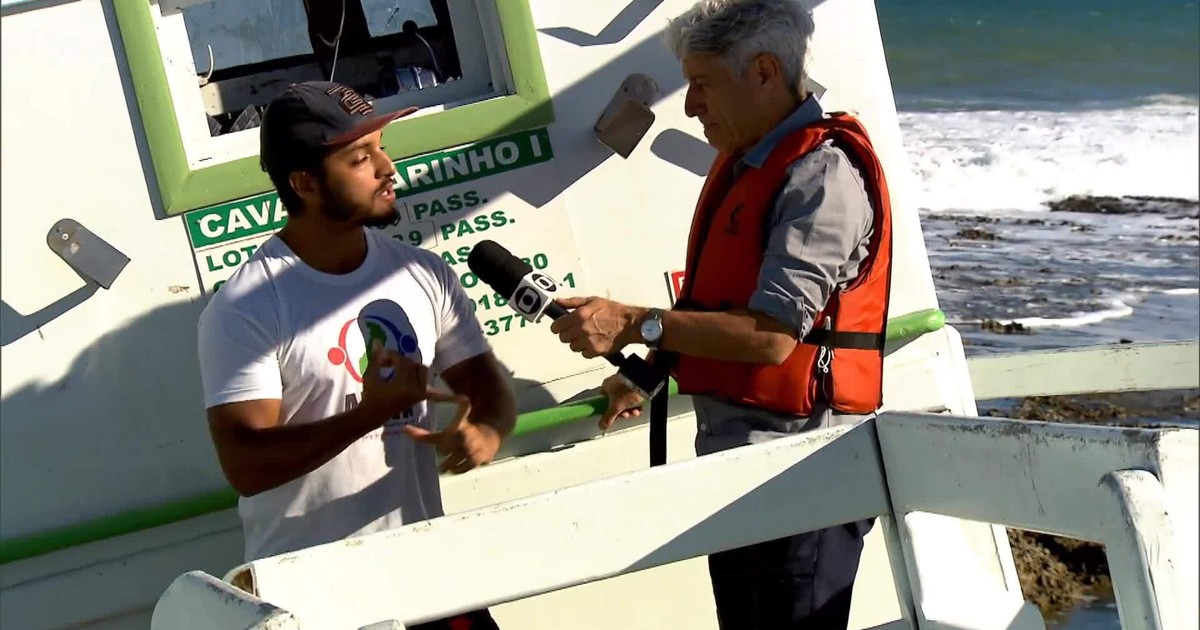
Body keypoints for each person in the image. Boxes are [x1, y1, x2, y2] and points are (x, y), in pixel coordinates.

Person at [548, 1, 894, 628]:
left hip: (801, 471)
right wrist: (645, 373)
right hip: (743, 465)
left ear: (763, 72)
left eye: (702, 84)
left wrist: (632, 322)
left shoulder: (820, 175)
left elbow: (771, 339)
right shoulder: (750, 161)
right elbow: (718, 306)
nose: (689, 106)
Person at [196, 81, 516, 630]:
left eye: (382, 148)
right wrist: (368, 415)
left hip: (428, 580)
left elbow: (487, 388)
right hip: (314, 602)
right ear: (305, 184)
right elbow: (245, 464)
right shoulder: (247, 306)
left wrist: (486, 431)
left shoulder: (422, 272)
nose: (388, 168)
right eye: (361, 157)